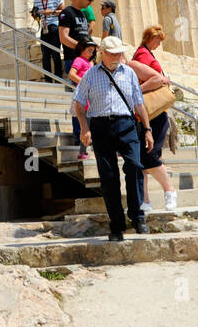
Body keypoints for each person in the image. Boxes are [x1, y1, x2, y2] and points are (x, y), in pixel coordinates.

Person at [72, 35, 153, 241]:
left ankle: (137, 216)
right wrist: (84, 128)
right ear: (103, 54)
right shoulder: (90, 75)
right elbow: (79, 103)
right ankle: (117, 225)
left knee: (135, 166)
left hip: (126, 124)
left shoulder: (130, 74)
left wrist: (147, 129)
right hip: (100, 127)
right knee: (108, 178)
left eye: (119, 52)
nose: (117, 56)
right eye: (113, 53)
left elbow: (139, 103)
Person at [131, 25, 178, 212]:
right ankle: (154, 196)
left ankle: (156, 196)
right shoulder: (142, 55)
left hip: (153, 113)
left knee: (147, 157)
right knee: (146, 157)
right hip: (150, 113)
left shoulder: (145, 53)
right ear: (149, 38)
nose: (159, 44)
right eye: (157, 40)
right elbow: (155, 78)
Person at [67, 40, 98, 159]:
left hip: (89, 96)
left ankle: (83, 151)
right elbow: (71, 74)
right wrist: (84, 83)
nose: (91, 53)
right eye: (89, 50)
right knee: (87, 125)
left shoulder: (88, 61)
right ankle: (83, 151)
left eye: (92, 51)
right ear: (82, 49)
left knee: (89, 125)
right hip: (84, 97)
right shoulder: (79, 60)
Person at [31, 0, 64, 79]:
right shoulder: (37, 1)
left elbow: (63, 11)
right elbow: (37, 16)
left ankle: (58, 78)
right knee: (45, 55)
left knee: (55, 53)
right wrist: (34, 15)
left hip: (54, 26)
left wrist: (52, 12)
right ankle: (48, 79)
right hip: (44, 27)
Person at [58, 0, 95, 69]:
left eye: (92, 0)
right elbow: (63, 38)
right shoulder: (66, 12)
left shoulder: (82, 13)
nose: (90, 2)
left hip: (86, 59)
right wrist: (83, 48)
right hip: (73, 59)